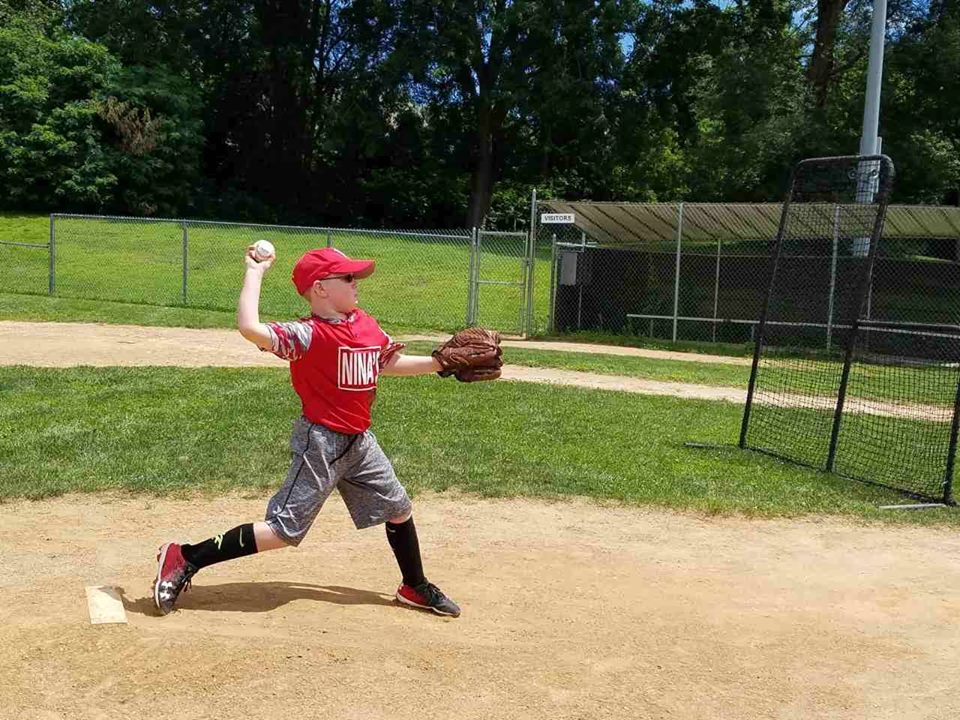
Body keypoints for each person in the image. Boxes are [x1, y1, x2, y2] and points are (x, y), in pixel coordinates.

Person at [153, 244, 497, 618]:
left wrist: (438, 363)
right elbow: (250, 328)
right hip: (321, 443)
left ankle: (414, 585)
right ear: (320, 288)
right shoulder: (306, 335)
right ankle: (185, 556)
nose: (356, 283)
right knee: (283, 530)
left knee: (398, 507)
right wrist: (255, 271)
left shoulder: (365, 324)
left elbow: (386, 362)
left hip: (360, 441)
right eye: (347, 277)